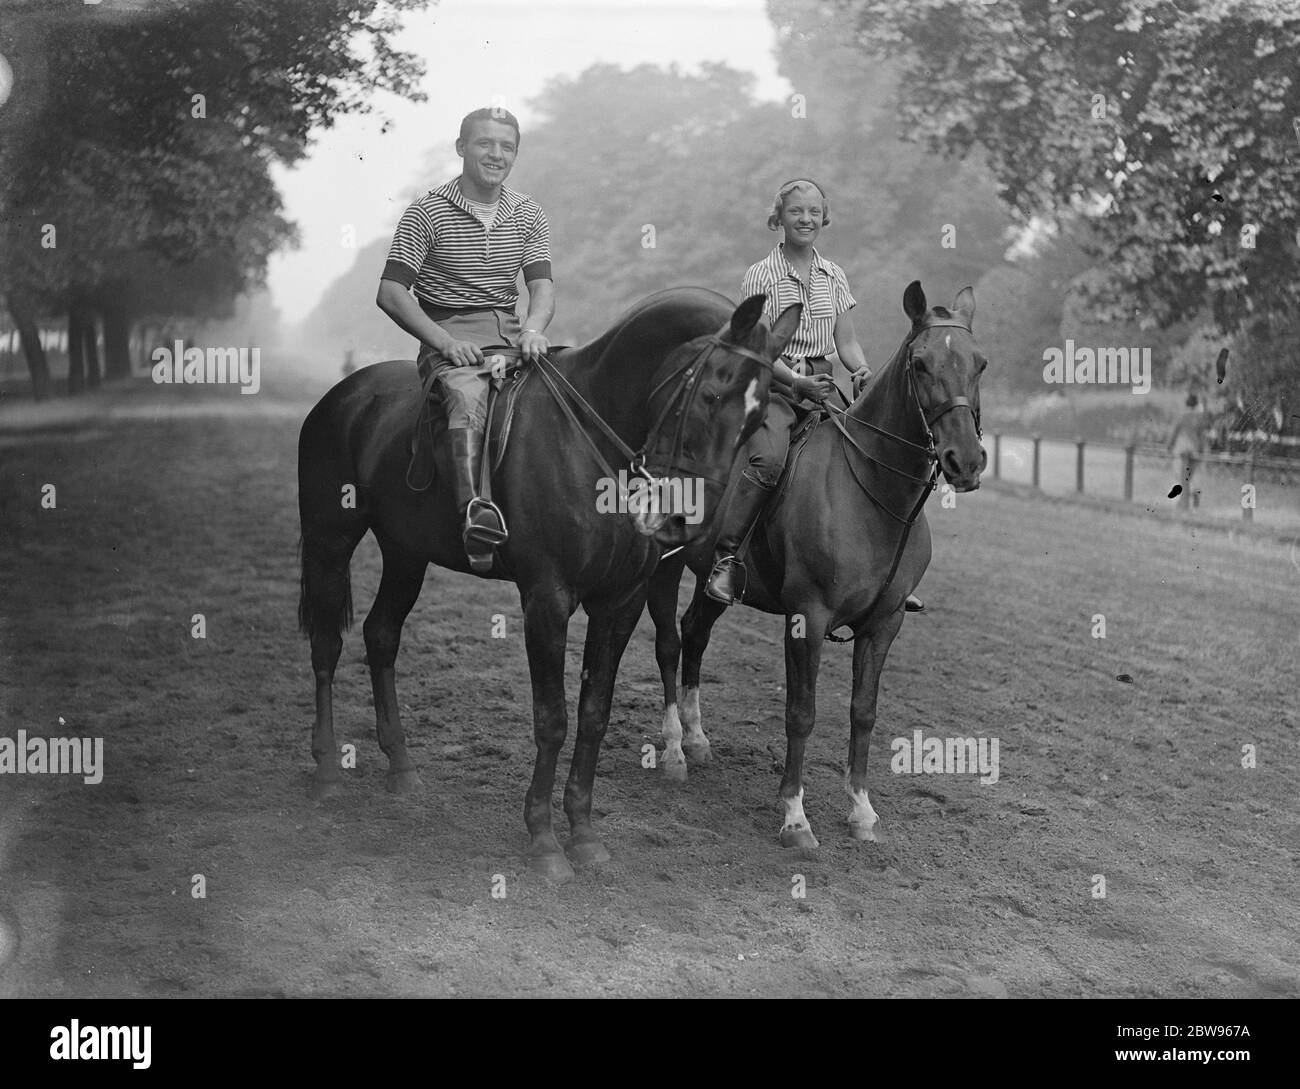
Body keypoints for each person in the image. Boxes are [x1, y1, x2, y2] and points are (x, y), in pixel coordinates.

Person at [705, 178, 923, 612]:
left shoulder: (834, 274)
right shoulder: (761, 274)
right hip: (775, 389)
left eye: (814, 212)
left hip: (824, 389)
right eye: (796, 211)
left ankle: (889, 572)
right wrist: (794, 382)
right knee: (768, 461)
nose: (805, 219)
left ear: (824, 218)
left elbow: (847, 341)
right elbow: (757, 345)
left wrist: (860, 369)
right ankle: (726, 559)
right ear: (779, 218)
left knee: (879, 453)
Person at [376, 107, 554, 571]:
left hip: (511, 334)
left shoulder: (528, 212)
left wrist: (534, 329)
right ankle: (473, 512)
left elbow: (541, 288)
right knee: (466, 394)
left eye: (507, 146)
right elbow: (391, 292)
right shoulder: (426, 211)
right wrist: (443, 342)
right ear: (461, 147)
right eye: (485, 143)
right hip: (450, 335)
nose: (496, 154)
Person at [1168, 392, 1210, 509]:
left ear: (1186, 404)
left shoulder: (1181, 417)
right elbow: (1202, 437)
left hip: (1181, 450)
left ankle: (1182, 500)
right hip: (1195, 450)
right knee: (1193, 475)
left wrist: (1169, 446)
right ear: (1196, 405)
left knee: (1180, 475)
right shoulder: (1200, 419)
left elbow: (1173, 433)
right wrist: (1201, 451)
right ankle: (1194, 494)